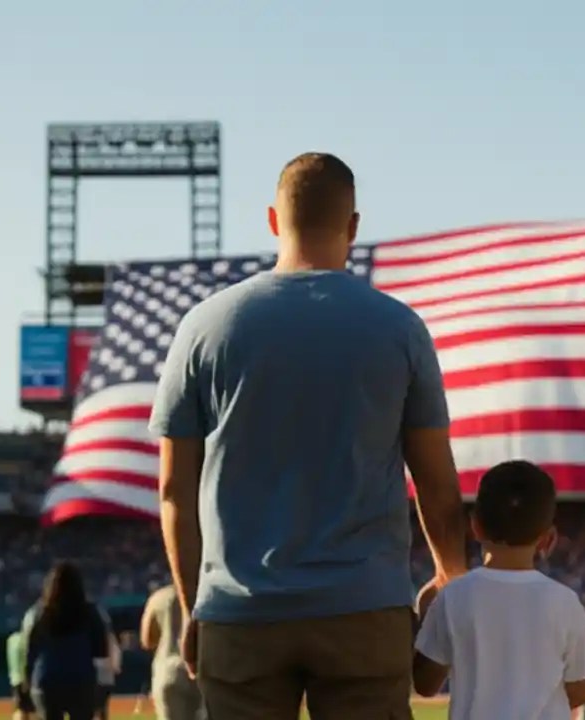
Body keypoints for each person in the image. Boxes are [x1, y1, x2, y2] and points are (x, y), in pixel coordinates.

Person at [150, 151, 469, 720]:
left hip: (239, 611)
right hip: (365, 610)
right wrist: (452, 577)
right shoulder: (398, 327)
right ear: (353, 227)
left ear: (274, 220)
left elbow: (175, 489)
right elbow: (436, 483)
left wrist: (194, 602)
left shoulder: (203, 327)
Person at [412, 460, 585, 718]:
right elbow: (580, 690)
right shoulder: (565, 601)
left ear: (475, 526)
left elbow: (424, 684)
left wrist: (424, 615)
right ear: (548, 540)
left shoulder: (453, 597)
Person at [24, 562, 110, 720]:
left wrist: (28, 684)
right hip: (81, 680)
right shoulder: (90, 613)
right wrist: (104, 688)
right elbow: (102, 652)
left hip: (46, 679)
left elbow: (30, 652)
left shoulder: (40, 613)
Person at [141, 584, 203, 720]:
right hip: (201, 669)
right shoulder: (206, 595)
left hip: (168, 668)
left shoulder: (158, 598)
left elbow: (147, 641)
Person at [92, 606, 120, 720]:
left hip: (94, 675)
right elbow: (115, 653)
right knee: (102, 710)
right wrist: (115, 668)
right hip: (106, 676)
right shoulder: (108, 635)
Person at [6, 627, 34, 720]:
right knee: (29, 710)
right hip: (26, 679)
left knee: (20, 708)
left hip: (15, 678)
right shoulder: (27, 641)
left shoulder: (12, 639)